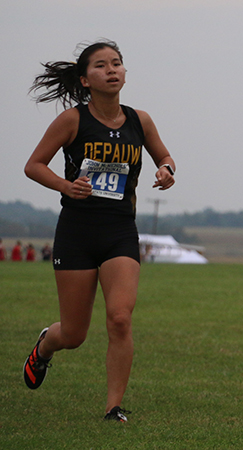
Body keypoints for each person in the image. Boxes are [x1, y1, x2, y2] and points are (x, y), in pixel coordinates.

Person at [22, 40, 176, 423]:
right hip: (76, 231)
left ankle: (113, 408)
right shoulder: (72, 121)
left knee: (120, 317)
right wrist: (65, 185)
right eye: (102, 66)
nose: (112, 71)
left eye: (118, 64)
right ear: (85, 79)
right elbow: (34, 165)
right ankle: (45, 348)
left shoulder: (140, 120)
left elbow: (165, 157)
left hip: (120, 232)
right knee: (74, 335)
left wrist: (166, 171)